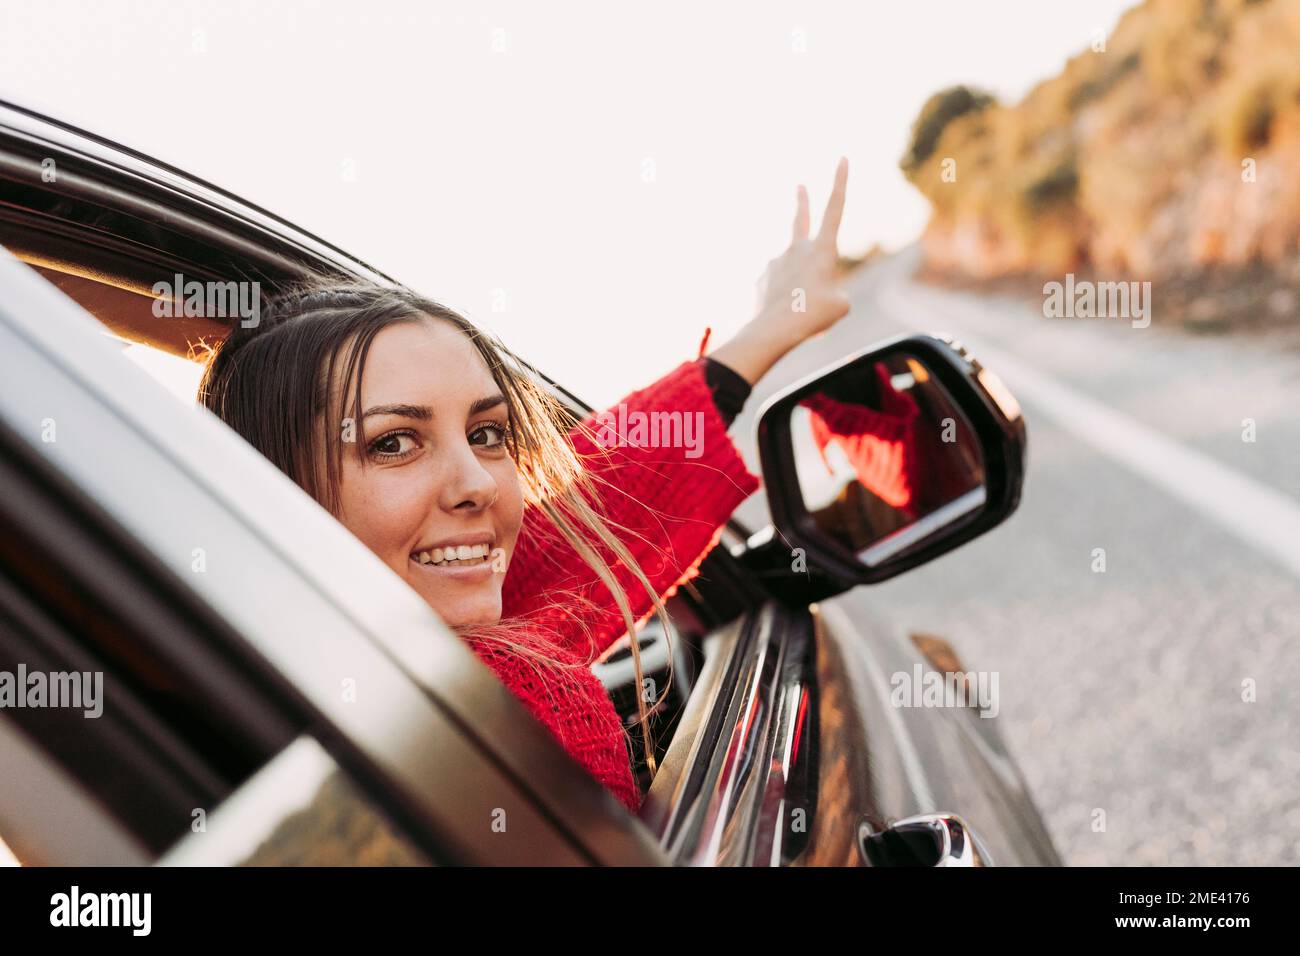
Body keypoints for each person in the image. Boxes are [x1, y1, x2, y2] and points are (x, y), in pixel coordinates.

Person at [198, 159, 856, 813]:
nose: (477, 483)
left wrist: (771, 329)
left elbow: (585, 516)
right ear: (278, 496)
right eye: (393, 442)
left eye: (486, 433)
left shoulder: (289, 672)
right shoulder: (517, 697)